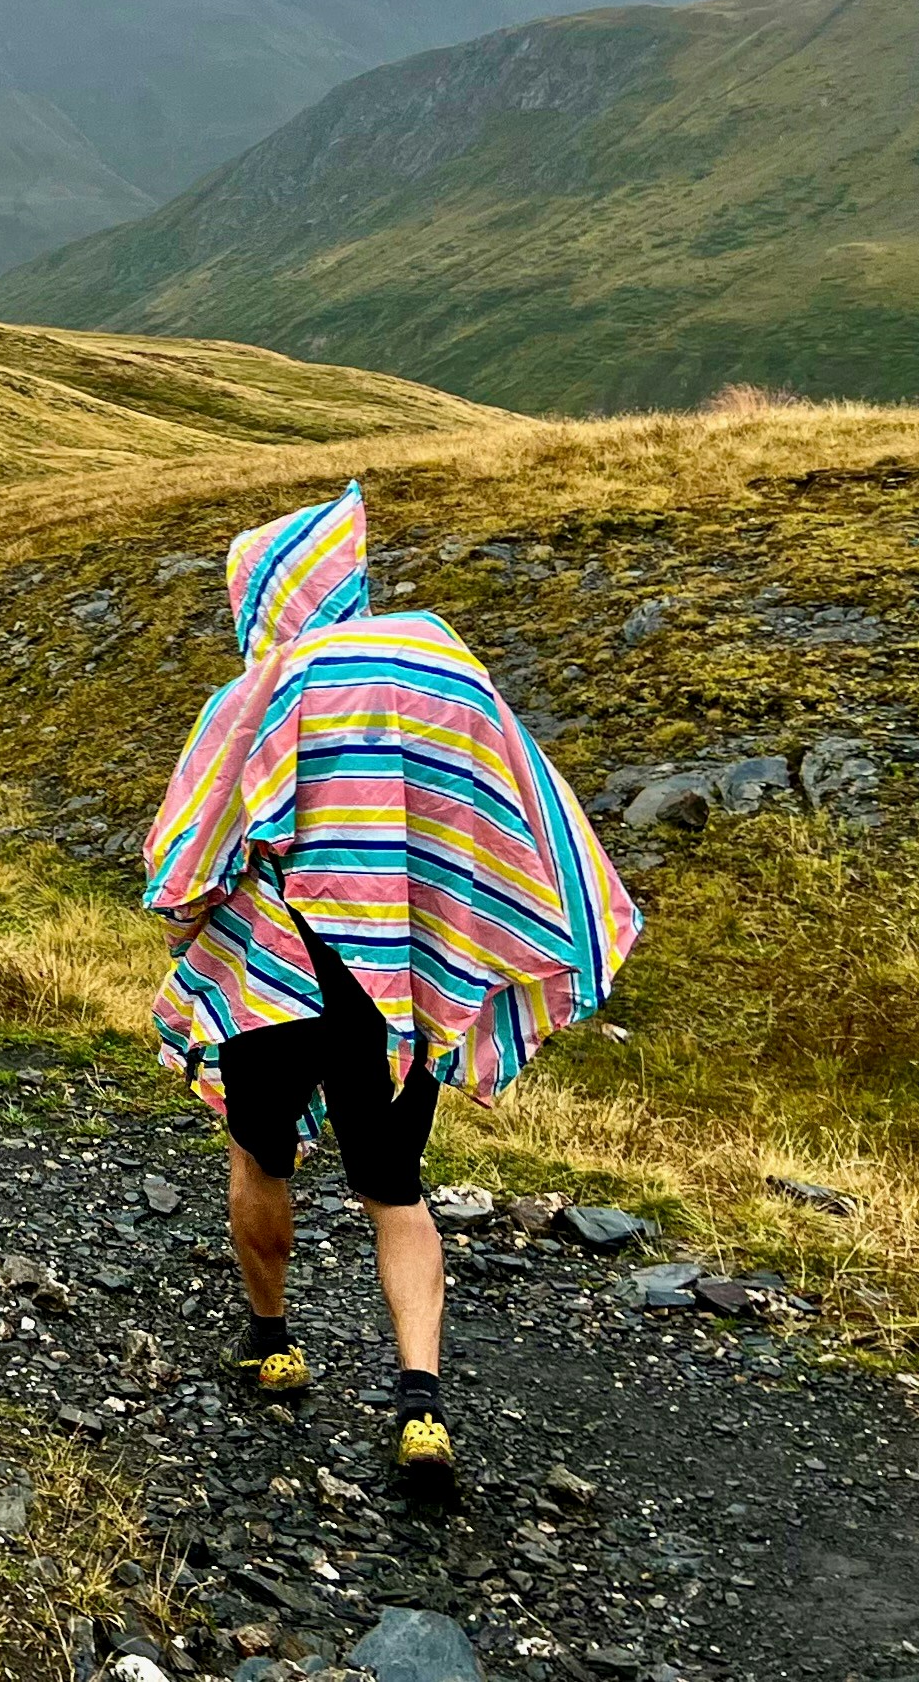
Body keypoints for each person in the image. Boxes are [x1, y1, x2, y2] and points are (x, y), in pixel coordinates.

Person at [143, 482, 638, 1498]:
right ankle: (419, 1403)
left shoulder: (260, 692)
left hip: (275, 976)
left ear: (262, 598)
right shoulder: (444, 674)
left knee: (258, 1154)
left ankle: (271, 1341)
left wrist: (192, 923)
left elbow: (188, 854)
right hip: (396, 994)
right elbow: (505, 807)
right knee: (394, 1189)